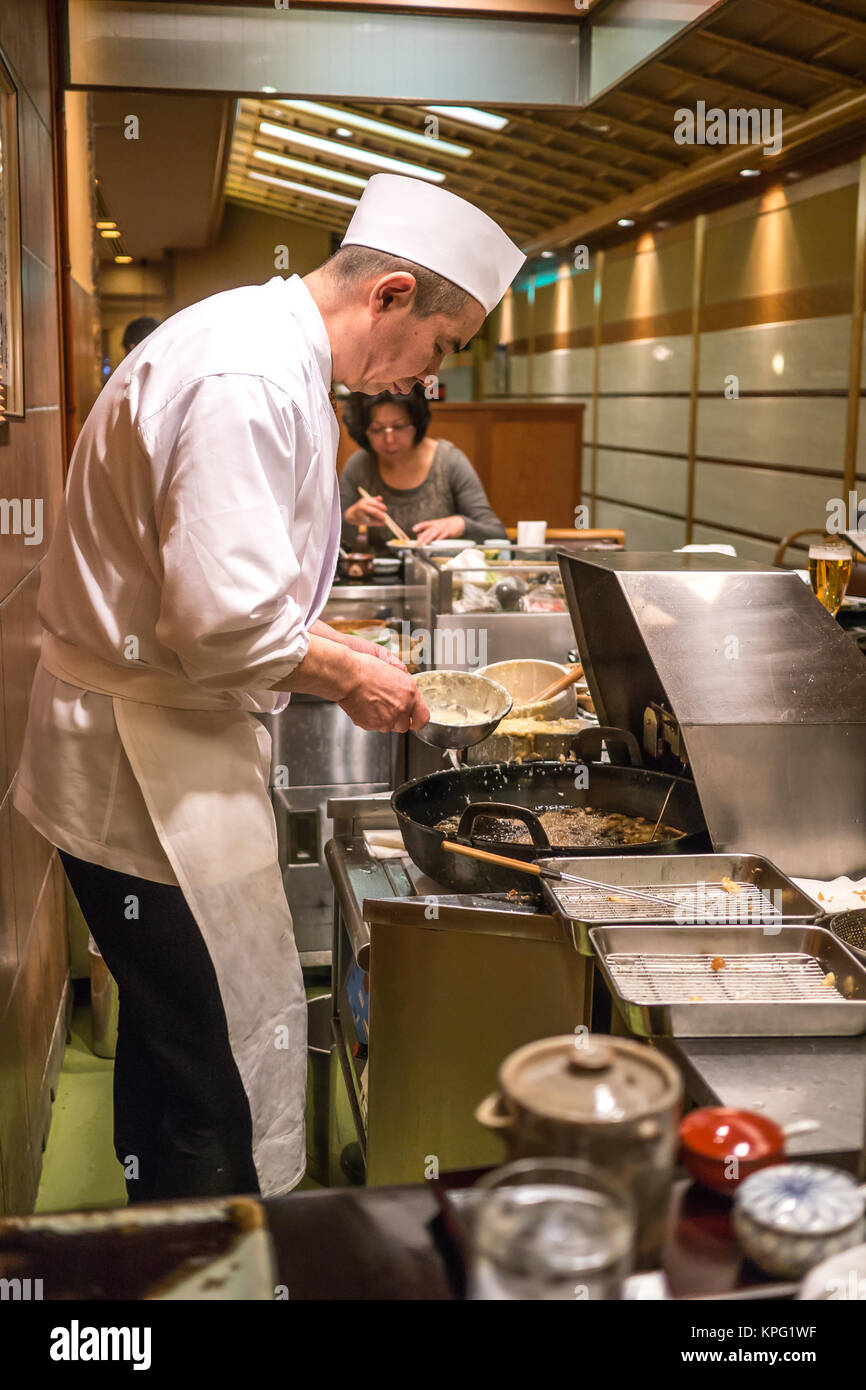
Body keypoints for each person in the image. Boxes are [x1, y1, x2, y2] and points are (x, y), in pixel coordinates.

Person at [13, 172, 524, 1203]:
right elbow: (220, 622)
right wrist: (352, 677)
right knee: (210, 1081)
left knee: (171, 1051)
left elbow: (228, 585)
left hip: (163, 740)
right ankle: (205, 1267)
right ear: (388, 295)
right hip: (141, 770)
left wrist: (328, 643)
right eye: (442, 343)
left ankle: (154, 1244)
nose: (433, 375)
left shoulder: (263, 348)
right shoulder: (246, 375)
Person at [340, 386, 507, 548]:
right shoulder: (360, 465)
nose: (389, 439)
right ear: (363, 430)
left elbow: (497, 534)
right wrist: (349, 518)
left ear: (417, 422)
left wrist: (462, 525)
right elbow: (328, 542)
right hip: (380, 575)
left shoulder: (448, 462)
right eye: (377, 429)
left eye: (399, 426)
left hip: (440, 573)